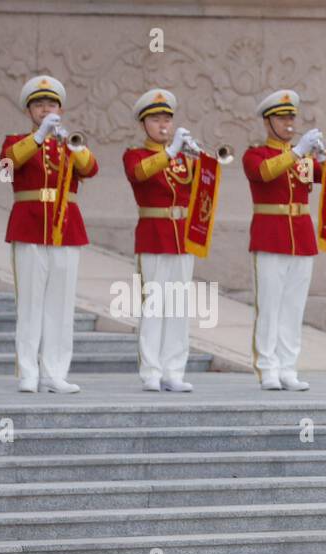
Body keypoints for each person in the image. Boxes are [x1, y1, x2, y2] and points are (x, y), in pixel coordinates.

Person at [0, 75, 100, 393]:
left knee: (60, 304)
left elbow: (91, 168)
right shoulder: (14, 141)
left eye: (51, 104)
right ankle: (28, 371)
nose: (45, 110)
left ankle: (55, 372)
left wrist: (68, 140)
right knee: (30, 303)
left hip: (66, 227)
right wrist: (38, 138)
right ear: (29, 111)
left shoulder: (68, 143)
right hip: (29, 224)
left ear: (60, 108)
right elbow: (5, 170)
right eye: (39, 105)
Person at [241, 89, 324, 391]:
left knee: (293, 307)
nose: (289, 123)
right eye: (282, 118)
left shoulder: (301, 157)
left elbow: (324, 179)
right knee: (270, 306)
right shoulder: (256, 154)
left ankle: (288, 367)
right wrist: (300, 151)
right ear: (268, 122)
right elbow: (264, 173)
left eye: (291, 117)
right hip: (271, 235)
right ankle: (267, 367)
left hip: (300, 236)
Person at [122, 88, 196, 392]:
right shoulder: (135, 154)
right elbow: (139, 174)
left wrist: (195, 156)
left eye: (167, 118)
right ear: (144, 124)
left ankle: (173, 369)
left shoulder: (183, 159)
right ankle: (151, 370)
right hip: (153, 233)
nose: (163, 125)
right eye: (156, 119)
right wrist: (170, 151)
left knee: (178, 306)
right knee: (153, 305)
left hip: (182, 236)